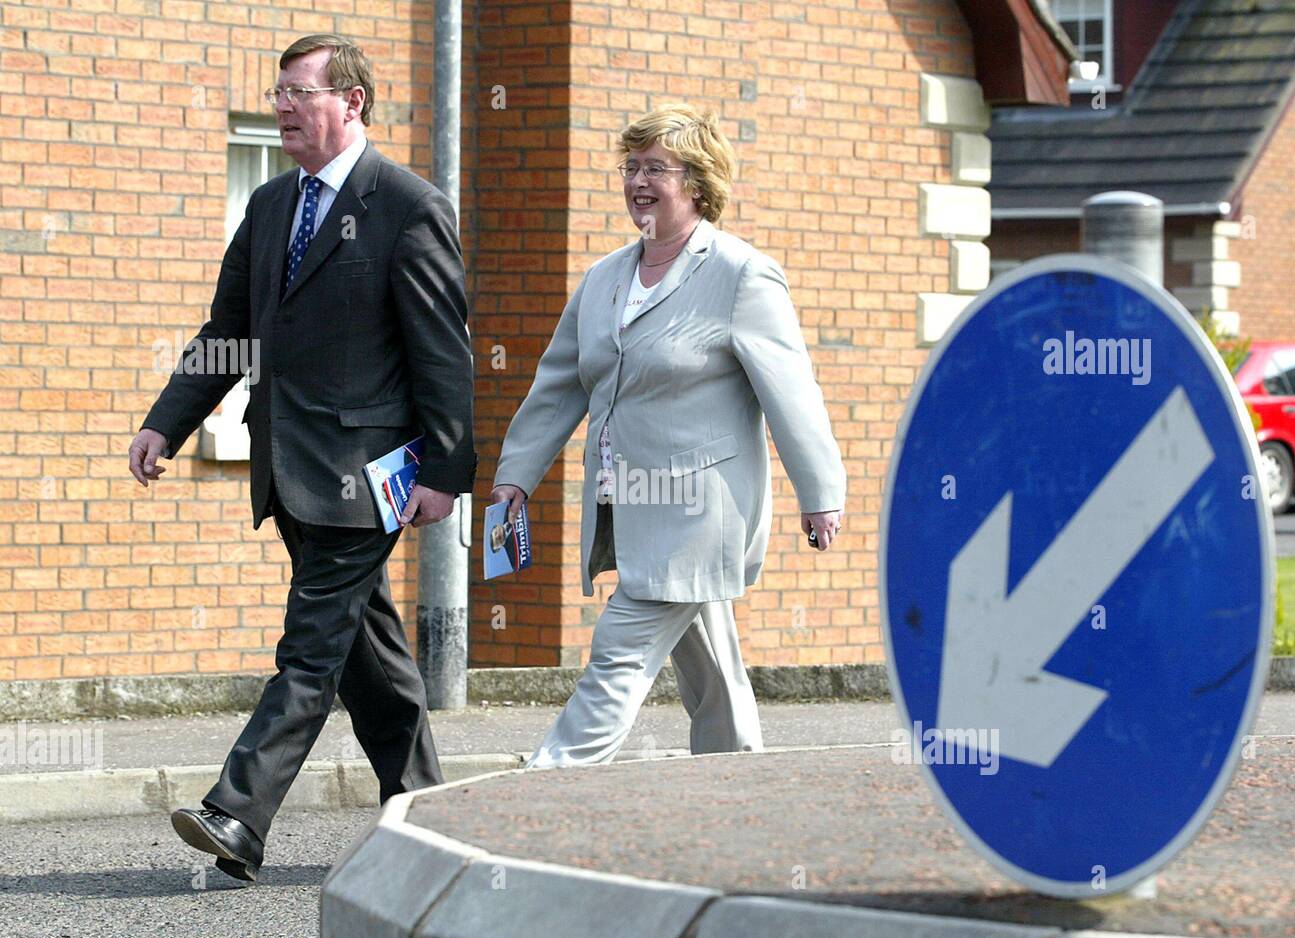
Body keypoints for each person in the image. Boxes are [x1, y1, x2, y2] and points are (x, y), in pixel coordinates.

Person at [127, 34, 475, 881]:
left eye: (298, 92)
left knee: (311, 649)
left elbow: (443, 352)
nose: (282, 105)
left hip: (366, 478)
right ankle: (428, 821)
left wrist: (445, 471)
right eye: (277, 92)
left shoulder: (407, 204)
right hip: (288, 467)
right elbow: (228, 332)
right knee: (371, 658)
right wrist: (167, 423)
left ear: (350, 102)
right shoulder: (273, 204)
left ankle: (238, 816)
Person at [491, 104, 845, 768]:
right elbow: (560, 384)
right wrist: (516, 477)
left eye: (657, 167)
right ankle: (736, 784)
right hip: (628, 504)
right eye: (631, 167)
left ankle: (547, 784)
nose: (638, 181)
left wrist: (820, 493)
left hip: (697, 512)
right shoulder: (603, 279)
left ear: (700, 181)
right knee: (711, 667)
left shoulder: (740, 274)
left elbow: (792, 391)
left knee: (619, 651)